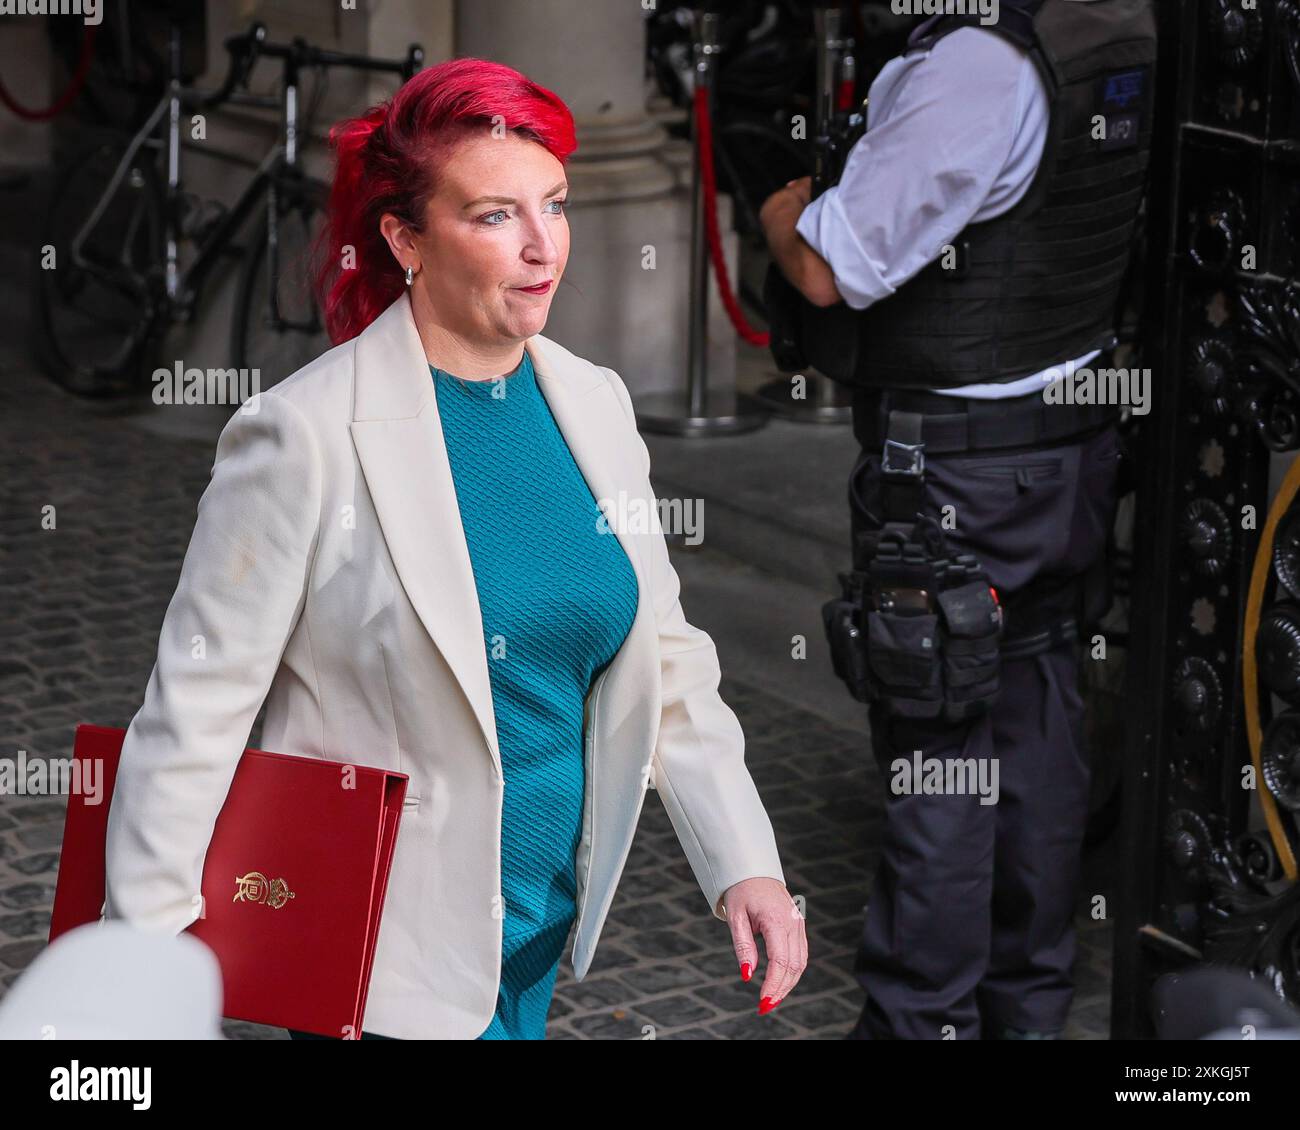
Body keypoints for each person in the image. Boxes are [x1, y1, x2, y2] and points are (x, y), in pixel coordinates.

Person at [102, 57, 806, 1040]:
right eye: (492, 216)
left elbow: (668, 654)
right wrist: (145, 970)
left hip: (531, 946)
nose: (540, 246)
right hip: (382, 972)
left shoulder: (593, 403)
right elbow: (191, 717)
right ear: (405, 239)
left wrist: (744, 859)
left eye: (553, 205)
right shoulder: (303, 433)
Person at [759, 0, 1154, 1038]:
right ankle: (1025, 1009)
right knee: (1037, 734)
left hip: (952, 474)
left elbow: (830, 266)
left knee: (941, 755)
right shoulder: (1119, 27)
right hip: (1061, 449)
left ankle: (919, 1022)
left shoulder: (976, 68)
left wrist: (781, 211)